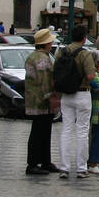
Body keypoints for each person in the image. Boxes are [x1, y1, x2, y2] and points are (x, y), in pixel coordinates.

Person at [57, 24, 96, 180]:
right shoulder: (85, 54)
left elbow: (56, 71)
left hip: (66, 95)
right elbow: (91, 76)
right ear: (84, 38)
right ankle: (81, 168)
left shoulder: (61, 51)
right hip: (82, 94)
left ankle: (64, 167)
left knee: (66, 131)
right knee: (82, 131)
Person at [23, 28, 59, 174]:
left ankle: (45, 161)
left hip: (34, 100)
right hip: (41, 102)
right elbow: (45, 80)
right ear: (47, 43)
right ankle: (33, 163)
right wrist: (51, 97)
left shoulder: (34, 56)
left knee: (43, 131)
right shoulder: (42, 58)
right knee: (39, 132)